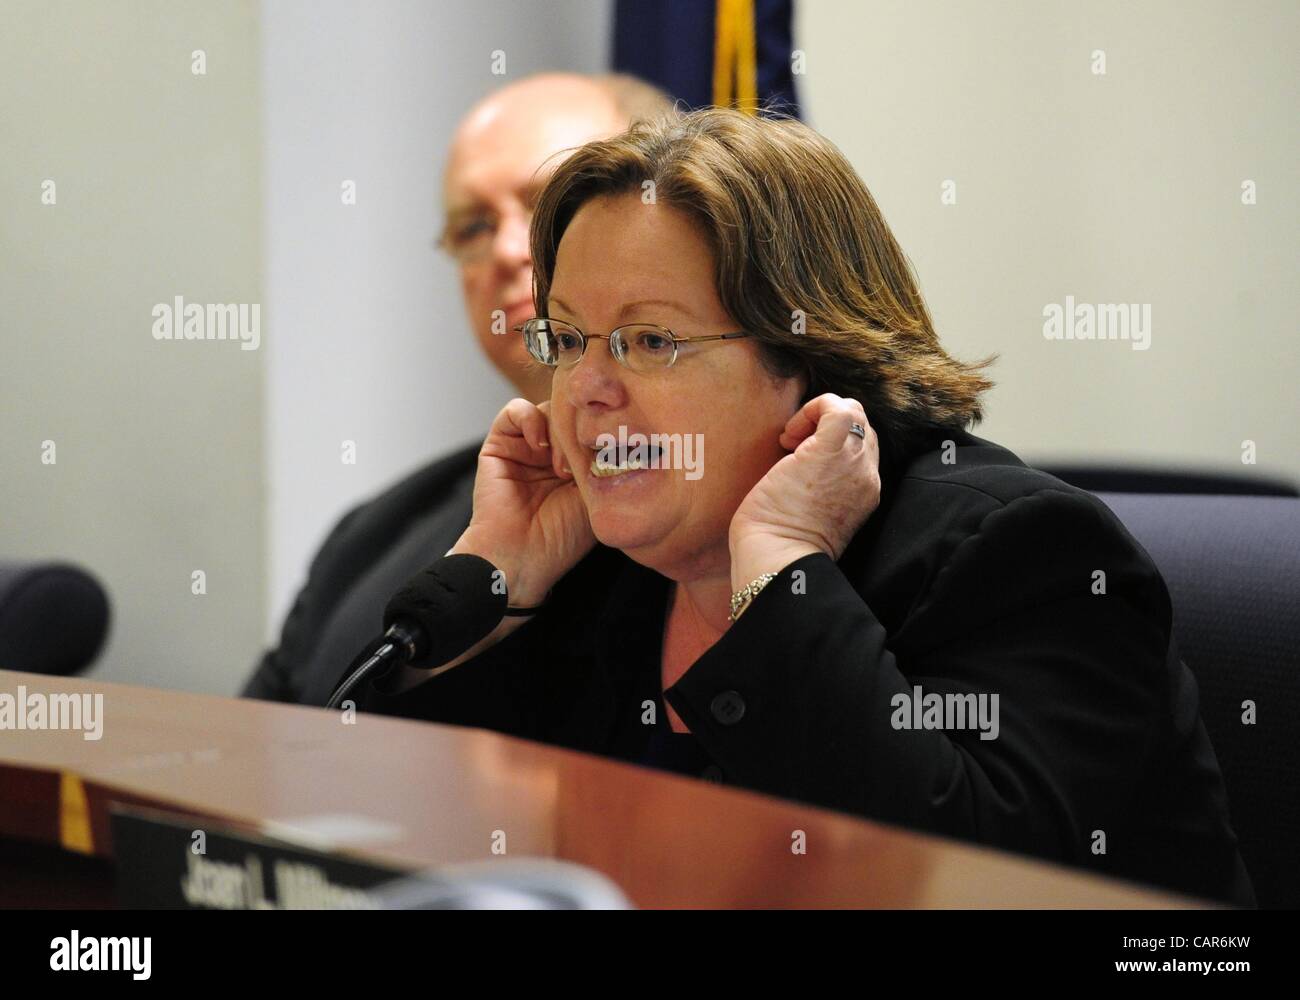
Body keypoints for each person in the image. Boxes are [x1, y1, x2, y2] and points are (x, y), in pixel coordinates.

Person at [353, 107, 1256, 908]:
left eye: (650, 340)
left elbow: (961, 874)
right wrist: (495, 579)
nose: (585, 388)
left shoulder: (1018, 555)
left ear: (809, 357)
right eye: (570, 336)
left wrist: (783, 565)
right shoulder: (603, 568)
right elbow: (397, 857)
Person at [241, 72, 674, 705]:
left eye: (548, 205)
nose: (505, 249)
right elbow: (247, 753)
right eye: (472, 227)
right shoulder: (374, 532)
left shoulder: (729, 517)